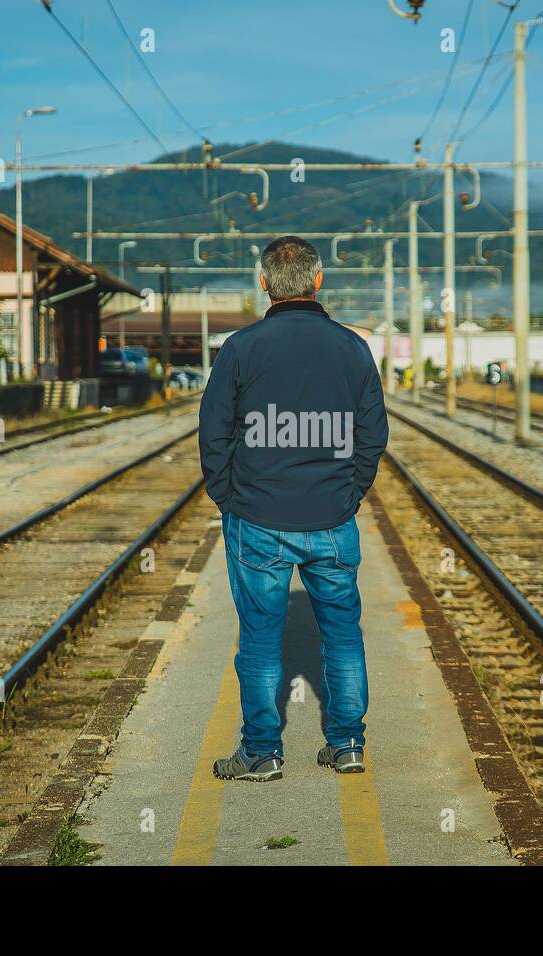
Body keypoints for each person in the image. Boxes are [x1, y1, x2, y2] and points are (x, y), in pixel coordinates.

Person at [198, 235, 389, 782]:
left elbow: (214, 434)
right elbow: (372, 435)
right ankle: (348, 744)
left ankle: (261, 751)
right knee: (343, 632)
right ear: (318, 280)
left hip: (257, 519)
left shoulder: (240, 347)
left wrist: (228, 498)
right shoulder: (351, 347)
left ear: (264, 283)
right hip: (332, 517)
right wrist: (349, 493)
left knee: (259, 638)